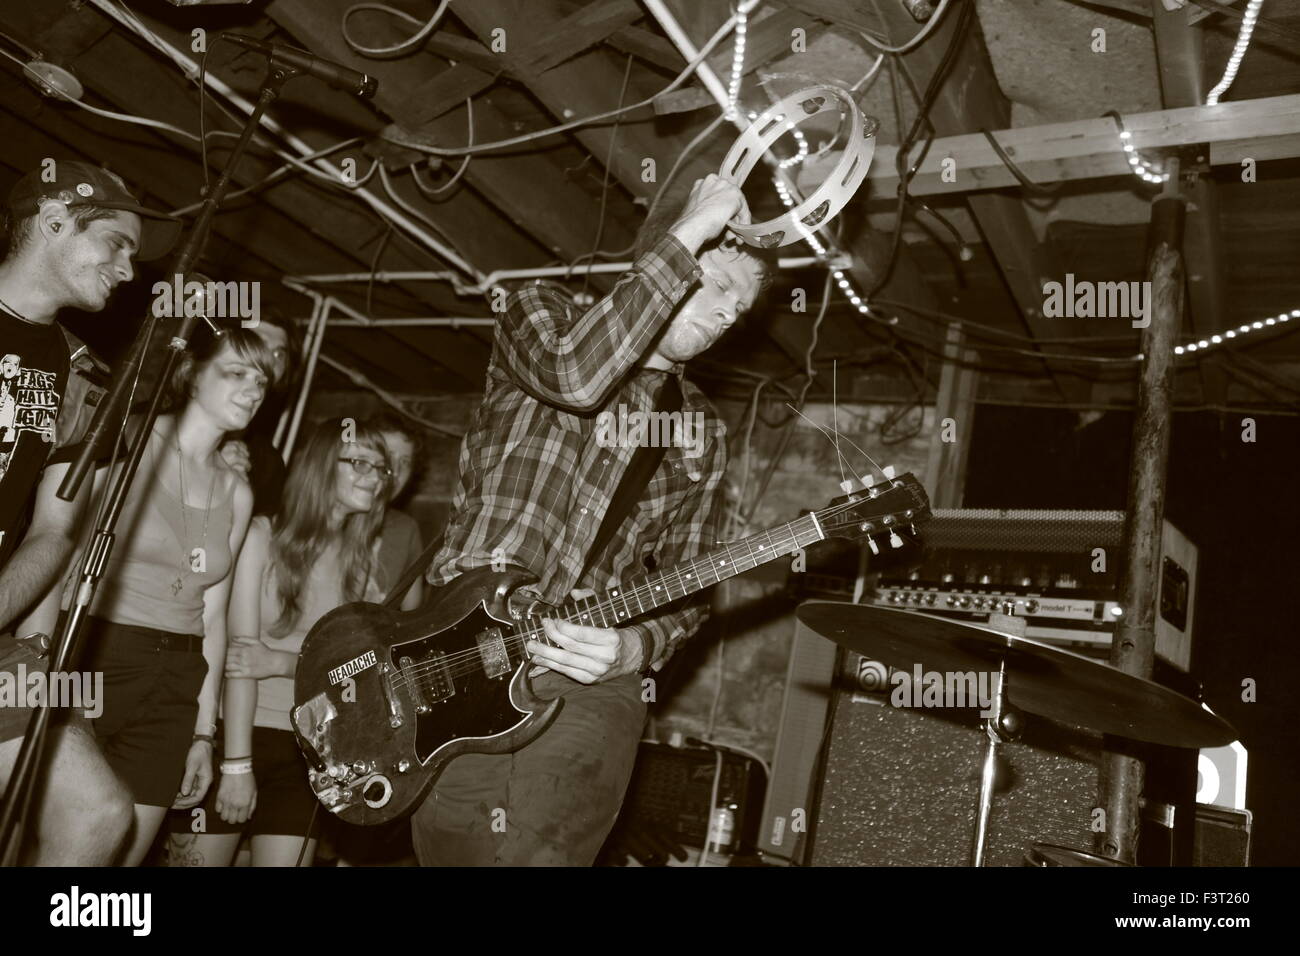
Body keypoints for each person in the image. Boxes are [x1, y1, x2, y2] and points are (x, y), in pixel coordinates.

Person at [412, 173, 764, 865]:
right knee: (453, 850)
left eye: (741, 310)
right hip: (457, 646)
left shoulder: (700, 432)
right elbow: (576, 378)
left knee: (544, 851)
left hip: (588, 673)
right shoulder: (541, 310)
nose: (728, 316)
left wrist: (638, 650)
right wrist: (694, 225)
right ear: (673, 254)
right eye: (721, 286)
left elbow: (690, 580)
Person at [0, 160, 179, 864]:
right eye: (115, 243)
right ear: (51, 222)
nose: (128, 269)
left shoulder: (84, 377)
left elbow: (53, 529)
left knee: (100, 817)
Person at [53, 320, 272, 865]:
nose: (253, 389)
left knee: (126, 858)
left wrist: (204, 730)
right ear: (191, 374)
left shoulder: (237, 491)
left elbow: (214, 617)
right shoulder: (127, 441)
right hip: (94, 654)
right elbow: (55, 546)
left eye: (263, 380)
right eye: (237, 372)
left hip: (177, 674)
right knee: (67, 837)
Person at [167, 418, 418, 866]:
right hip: (238, 734)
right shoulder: (263, 536)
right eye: (359, 463)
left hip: (314, 750)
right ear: (322, 466)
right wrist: (237, 766)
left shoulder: (364, 563)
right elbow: (241, 661)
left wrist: (282, 662)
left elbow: (370, 670)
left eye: (381, 469)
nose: (375, 478)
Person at [219, 308, 297, 516]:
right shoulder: (151, 426)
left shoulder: (269, 466)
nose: (268, 361)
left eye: (278, 354)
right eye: (256, 342)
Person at [371, 410, 425, 607]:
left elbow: (411, 619)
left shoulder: (406, 529)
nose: (396, 471)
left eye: (405, 462)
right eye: (387, 456)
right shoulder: (332, 518)